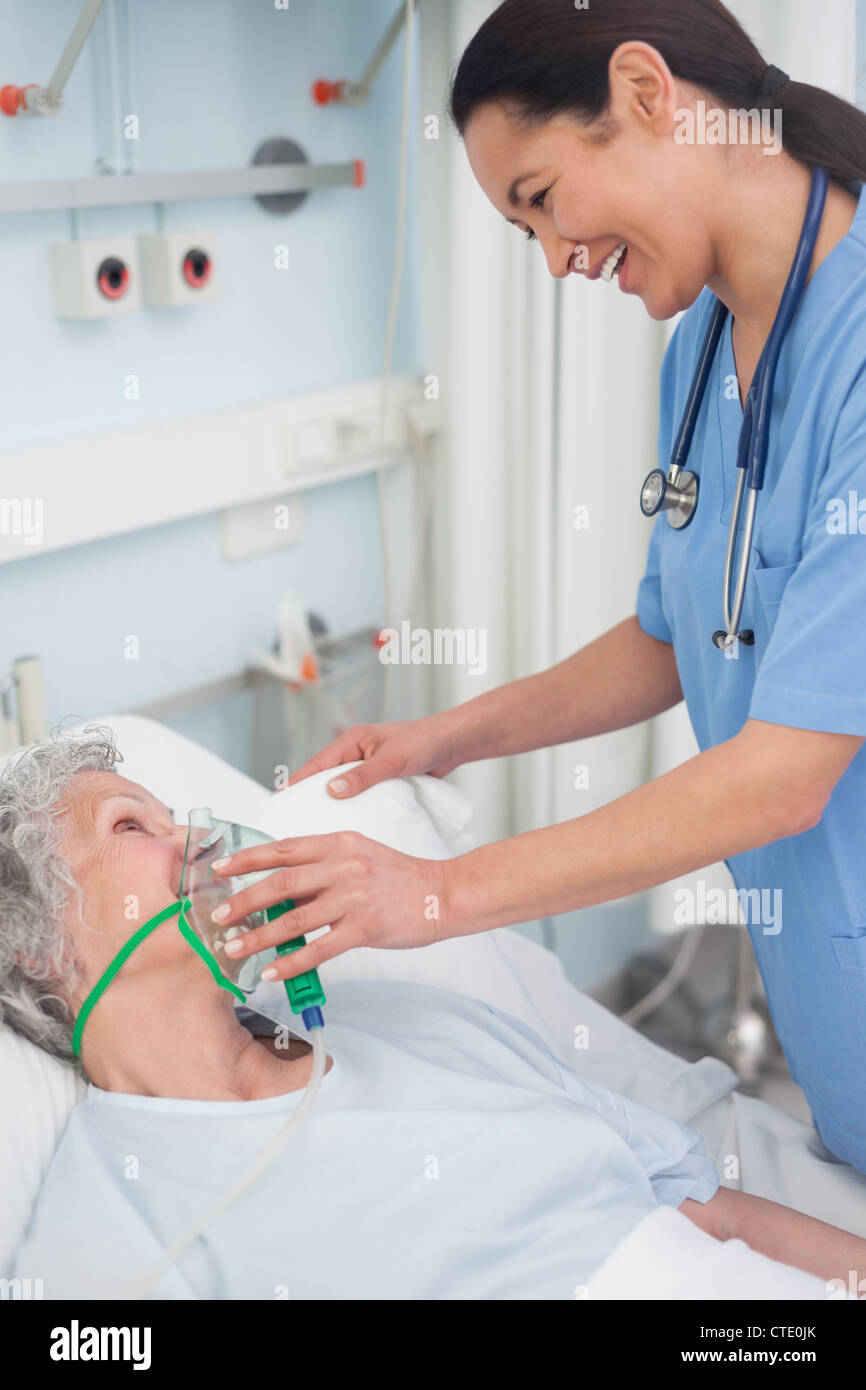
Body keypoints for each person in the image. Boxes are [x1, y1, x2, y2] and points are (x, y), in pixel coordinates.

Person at [205, 0, 866, 1178]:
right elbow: (679, 634)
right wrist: (444, 740)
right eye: (524, 234)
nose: (558, 261)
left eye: (542, 199)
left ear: (645, 92)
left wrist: (435, 894)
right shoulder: (702, 351)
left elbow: (785, 770)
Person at [3, 731, 866, 1298]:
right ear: (38, 945)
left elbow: (709, 1213)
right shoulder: (109, 1222)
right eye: (131, 826)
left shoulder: (410, 1018)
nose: (203, 841)